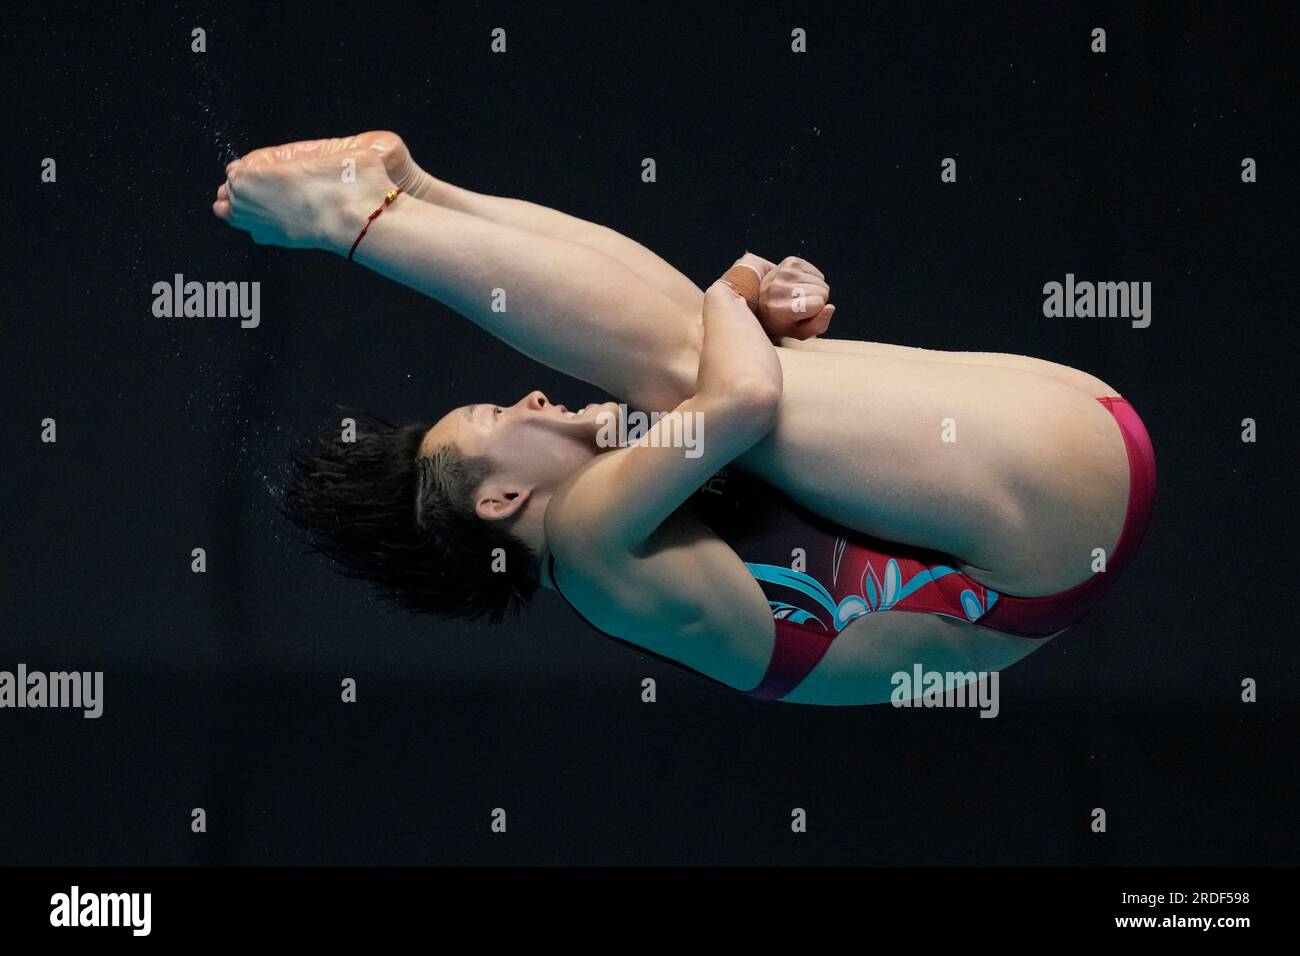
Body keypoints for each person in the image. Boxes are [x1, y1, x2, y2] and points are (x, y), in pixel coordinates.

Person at [213, 132, 1156, 705]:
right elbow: (740, 397)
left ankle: (420, 196)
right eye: (498, 412)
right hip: (1047, 525)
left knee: (687, 345)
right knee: (682, 352)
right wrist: (742, 286)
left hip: (1061, 496)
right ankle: (362, 221)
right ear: (501, 498)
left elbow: (739, 382)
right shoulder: (585, 545)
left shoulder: (621, 507)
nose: (532, 396)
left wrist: (758, 313)